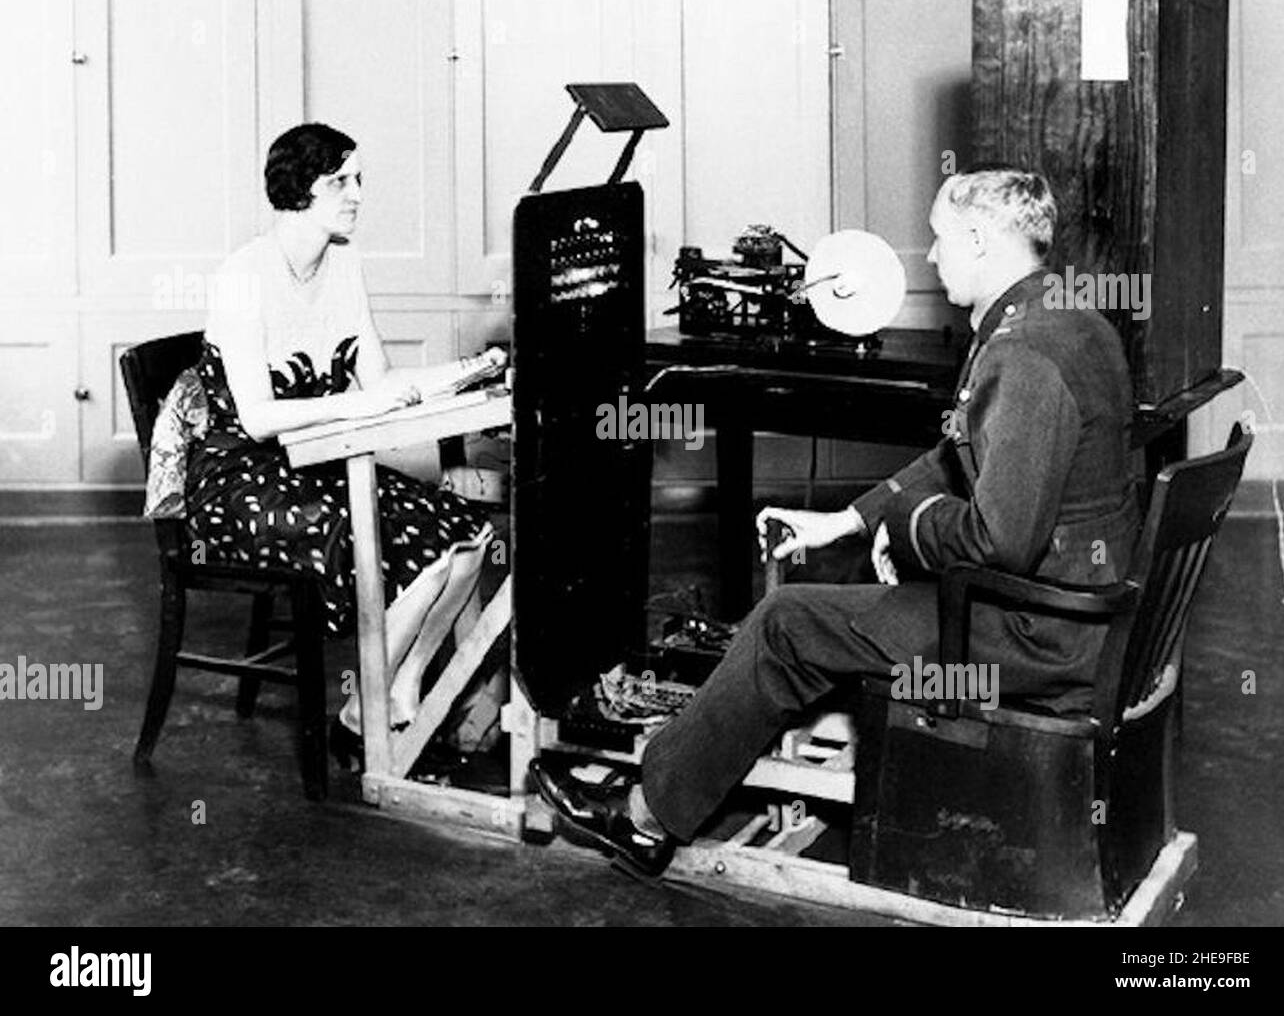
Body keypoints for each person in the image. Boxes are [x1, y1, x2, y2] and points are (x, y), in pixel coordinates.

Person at [531, 167, 1142, 875]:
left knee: (784, 622)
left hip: (1038, 639)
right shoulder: (1076, 320)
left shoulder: (1021, 355)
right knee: (835, 597)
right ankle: (715, 762)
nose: (933, 258)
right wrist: (845, 523)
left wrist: (905, 523)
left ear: (980, 239)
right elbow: (958, 454)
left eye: (942, 241)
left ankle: (644, 818)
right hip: (1078, 618)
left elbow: (999, 542)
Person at [186, 122, 494, 766]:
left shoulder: (345, 265)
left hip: (322, 456)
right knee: (423, 554)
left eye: (359, 179)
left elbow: (380, 382)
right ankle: (368, 716)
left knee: (467, 538)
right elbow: (260, 418)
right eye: (340, 182)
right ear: (299, 191)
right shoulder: (244, 274)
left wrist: (470, 371)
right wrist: (365, 403)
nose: (357, 194)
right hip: (243, 475)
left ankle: (393, 703)